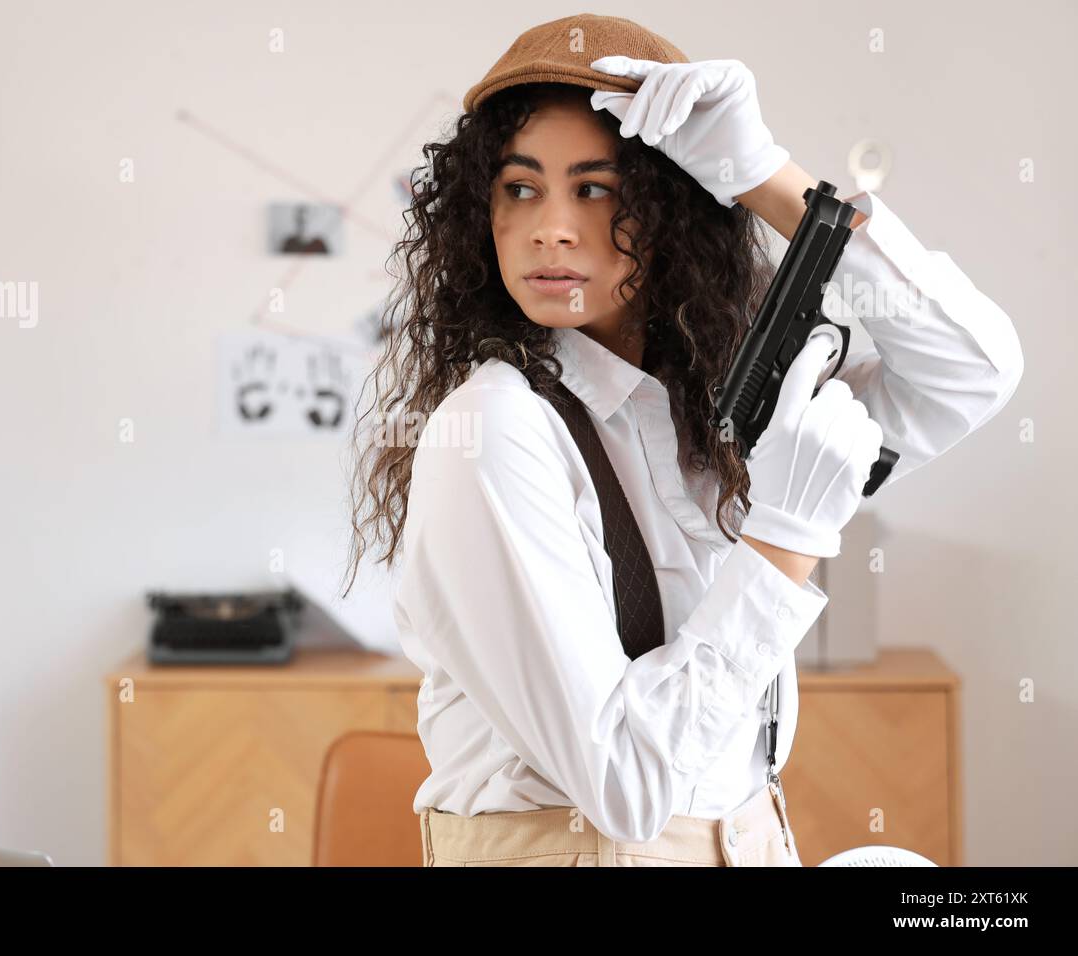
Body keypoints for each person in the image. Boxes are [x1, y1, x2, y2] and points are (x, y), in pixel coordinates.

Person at [342, 14, 1023, 866]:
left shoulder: (715, 407)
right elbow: (624, 785)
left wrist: (764, 175)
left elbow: (973, 371)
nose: (550, 228)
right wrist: (786, 537)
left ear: (671, 210)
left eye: (595, 188)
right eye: (520, 188)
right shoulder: (493, 433)